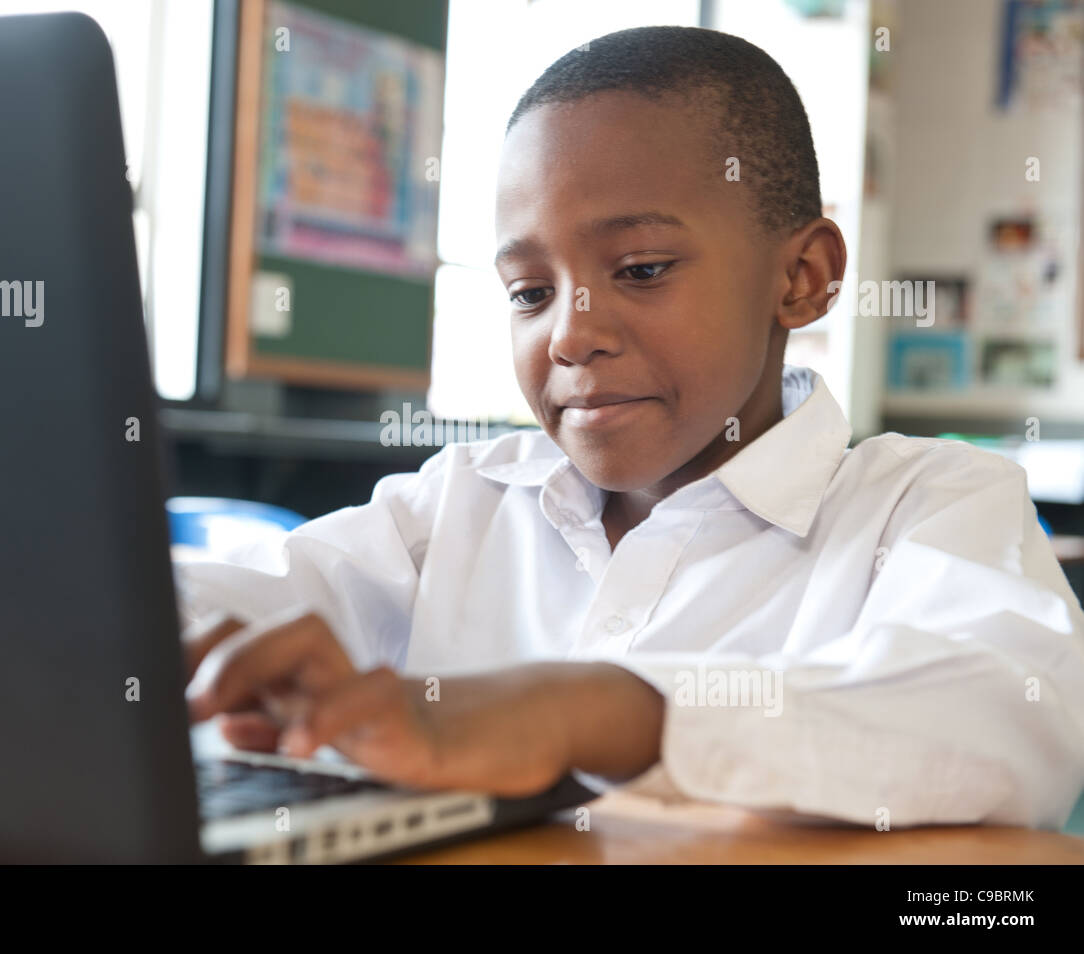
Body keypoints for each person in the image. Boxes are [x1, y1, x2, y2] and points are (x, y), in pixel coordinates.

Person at [177, 26, 1084, 829]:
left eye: (642, 268)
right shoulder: (458, 505)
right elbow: (214, 595)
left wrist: (577, 710)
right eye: (529, 292)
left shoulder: (922, 505)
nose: (569, 331)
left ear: (802, 276)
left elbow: (1006, 711)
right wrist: (162, 641)